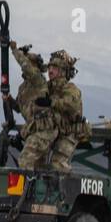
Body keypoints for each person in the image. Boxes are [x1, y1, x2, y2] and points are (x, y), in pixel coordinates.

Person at [10, 39, 58, 170]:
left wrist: (14, 50)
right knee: (38, 168)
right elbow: (20, 108)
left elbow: (26, 67)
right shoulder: (23, 88)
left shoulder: (38, 81)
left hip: (44, 131)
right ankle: (35, 190)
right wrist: (8, 100)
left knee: (25, 162)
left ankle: (24, 190)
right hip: (34, 131)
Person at [45, 49, 89, 173]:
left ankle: (62, 190)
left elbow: (70, 104)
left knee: (57, 166)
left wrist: (51, 102)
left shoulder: (71, 89)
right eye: (49, 67)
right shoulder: (47, 88)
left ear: (63, 71)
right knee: (36, 163)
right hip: (52, 132)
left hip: (69, 133)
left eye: (54, 67)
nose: (50, 70)